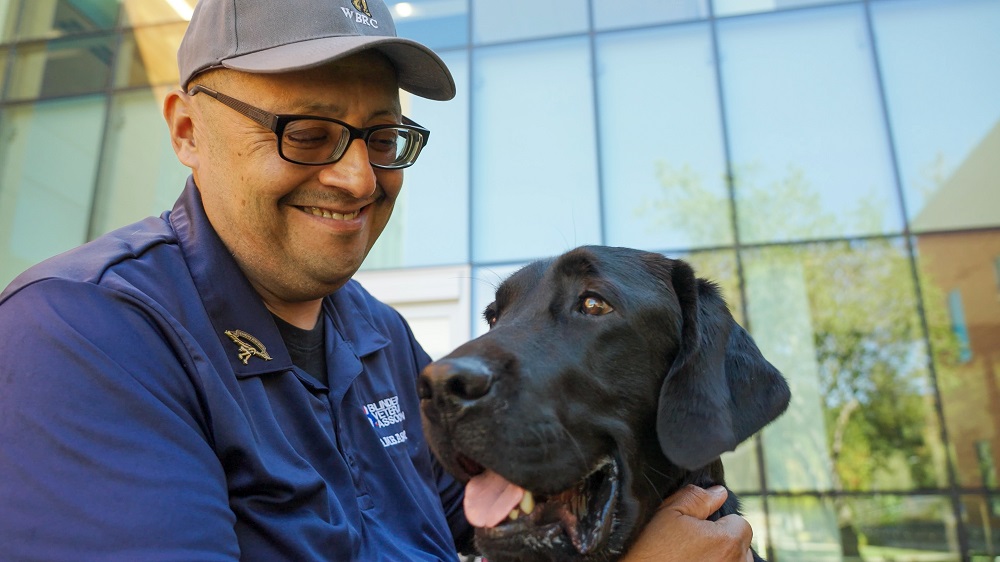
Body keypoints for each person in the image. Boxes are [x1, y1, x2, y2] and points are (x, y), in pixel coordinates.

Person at [0, 0, 755, 560]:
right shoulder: (83, 331)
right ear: (187, 130)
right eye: (307, 132)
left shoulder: (379, 336)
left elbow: (496, 514)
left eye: (384, 138)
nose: (359, 178)